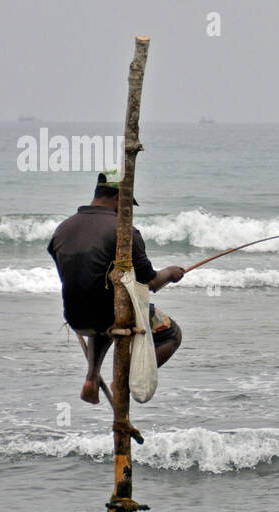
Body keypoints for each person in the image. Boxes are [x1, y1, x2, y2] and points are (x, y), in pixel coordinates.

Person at [47, 173, 185, 404]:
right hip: (109, 316)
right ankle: (124, 379)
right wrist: (170, 273)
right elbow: (149, 282)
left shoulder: (62, 229)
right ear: (118, 196)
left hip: (75, 317)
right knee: (172, 333)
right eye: (127, 203)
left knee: (101, 307)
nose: (127, 211)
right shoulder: (124, 232)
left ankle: (91, 378)